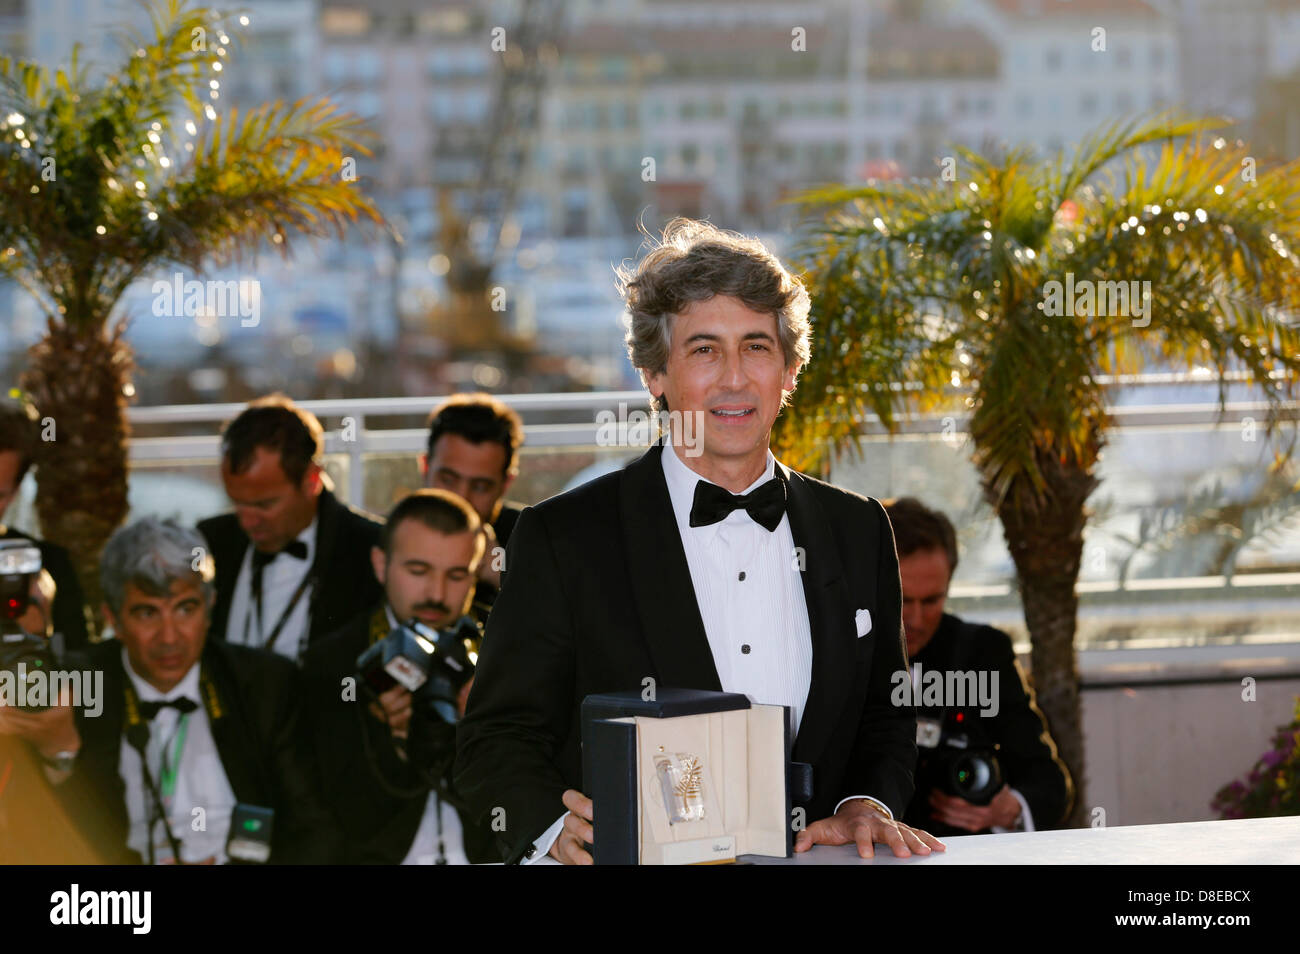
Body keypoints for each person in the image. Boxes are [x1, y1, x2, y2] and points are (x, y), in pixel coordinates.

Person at [455, 218, 944, 864]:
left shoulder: (857, 529)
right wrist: (549, 827)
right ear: (655, 375)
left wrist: (867, 803)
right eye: (705, 350)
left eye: (757, 347)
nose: (735, 379)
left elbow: (885, 714)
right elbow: (496, 735)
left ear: (790, 371)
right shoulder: (563, 537)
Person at [10, 518, 337, 863]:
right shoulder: (80, 686)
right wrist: (59, 752)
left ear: (210, 608)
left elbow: (315, 830)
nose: (170, 637)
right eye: (147, 613)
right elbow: (48, 833)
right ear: (113, 620)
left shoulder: (263, 683)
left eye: (185, 609)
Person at [301, 489, 493, 864]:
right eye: (418, 571)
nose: (436, 594)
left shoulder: (498, 654)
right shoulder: (332, 665)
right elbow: (335, 822)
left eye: (457, 575)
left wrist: (481, 730)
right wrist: (390, 743)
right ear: (380, 564)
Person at [883, 497, 1073, 835]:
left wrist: (1009, 809)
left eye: (931, 601)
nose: (915, 619)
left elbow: (1048, 782)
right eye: (902, 599)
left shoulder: (982, 653)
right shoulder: (834, 653)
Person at [200, 394, 383, 664]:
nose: (246, 522)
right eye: (237, 503)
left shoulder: (372, 549)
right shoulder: (208, 541)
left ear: (312, 479)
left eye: (265, 504)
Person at [0, 396, 92, 652]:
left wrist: (42, 635)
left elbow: (83, 679)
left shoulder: (50, 567)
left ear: (15, 492)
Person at [421, 393, 525, 616]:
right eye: (448, 479)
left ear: (505, 484)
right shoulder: (390, 538)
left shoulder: (532, 541)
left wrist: (502, 576)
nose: (461, 498)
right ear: (425, 467)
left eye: (480, 486)